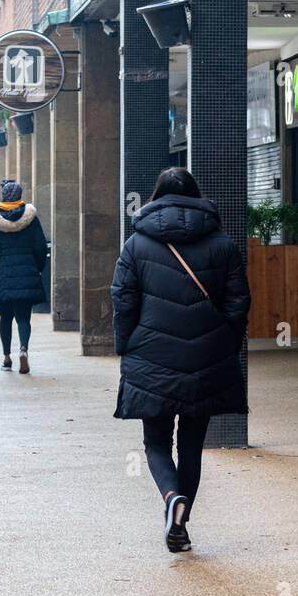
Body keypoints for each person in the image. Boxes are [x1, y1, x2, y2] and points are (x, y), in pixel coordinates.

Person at [111, 167, 250, 553]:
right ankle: (181, 526)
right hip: (207, 357)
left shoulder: (136, 244)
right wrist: (225, 344)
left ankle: (172, 498)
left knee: (156, 442)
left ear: (156, 196)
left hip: (150, 356)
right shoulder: (222, 243)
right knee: (191, 444)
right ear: (196, 194)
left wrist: (126, 345)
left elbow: (122, 299)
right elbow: (239, 302)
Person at [0, 180, 48, 374]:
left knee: (5, 317)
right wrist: (37, 268)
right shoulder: (30, 218)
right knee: (24, 317)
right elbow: (40, 246)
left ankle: (6, 358)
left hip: (2, 278)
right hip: (26, 273)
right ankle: (23, 350)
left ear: (3, 196)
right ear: (20, 196)